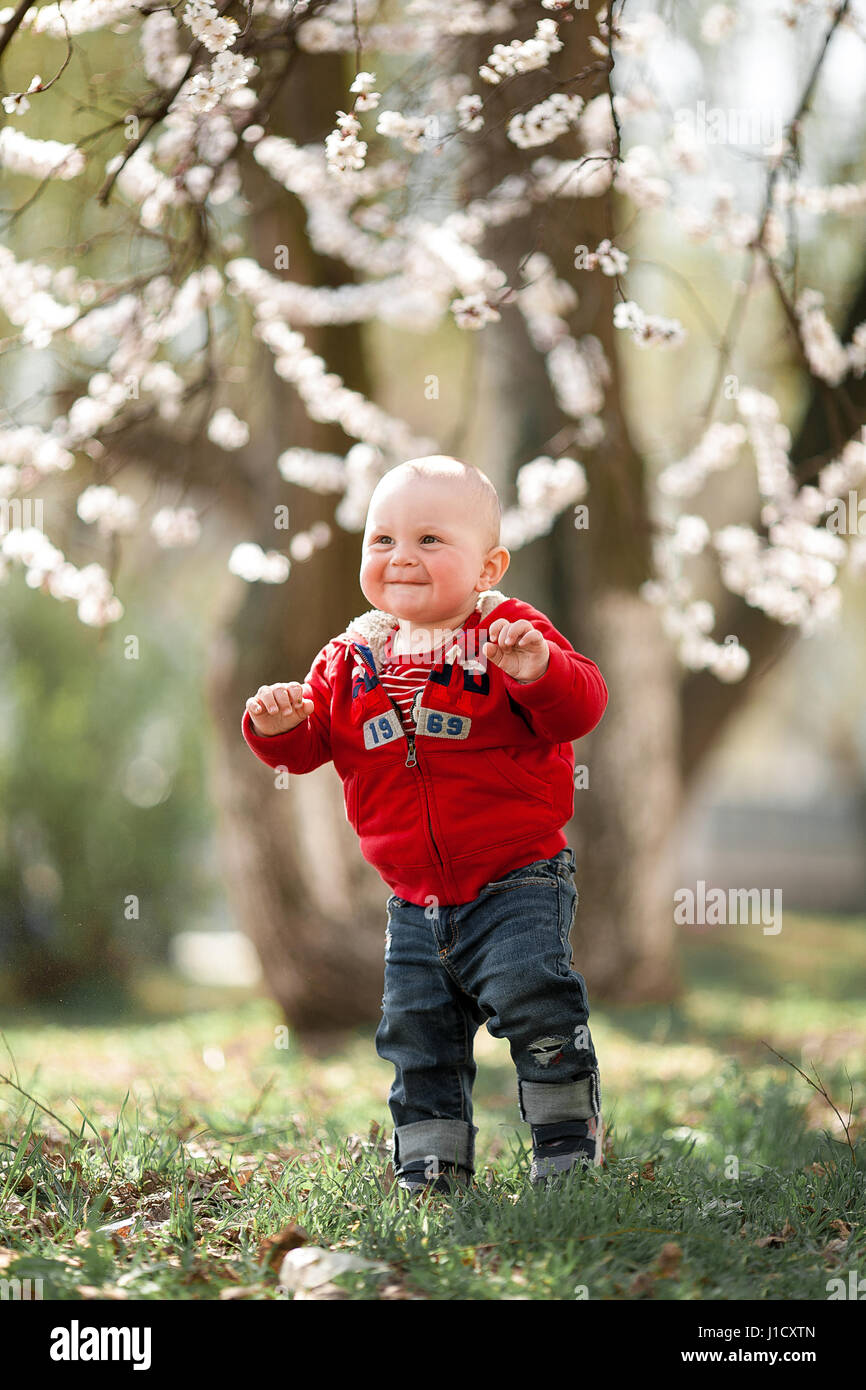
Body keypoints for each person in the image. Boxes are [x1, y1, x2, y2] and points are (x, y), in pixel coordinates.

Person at [241, 455, 609, 1195]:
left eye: (431, 540)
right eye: (382, 540)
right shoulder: (347, 661)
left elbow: (581, 707)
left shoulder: (508, 634)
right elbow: (310, 746)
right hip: (413, 901)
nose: (401, 556)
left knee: (535, 999)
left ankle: (568, 1149)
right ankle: (432, 1171)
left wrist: (538, 671)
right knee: (417, 1037)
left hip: (519, 877)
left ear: (487, 566)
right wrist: (276, 728)